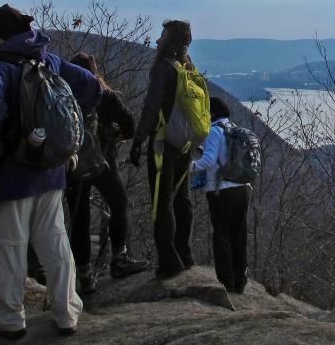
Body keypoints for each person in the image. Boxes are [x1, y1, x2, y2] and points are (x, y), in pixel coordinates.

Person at [0, 4, 100, 339]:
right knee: (55, 240)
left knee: (9, 244)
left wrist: (3, 133)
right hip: (51, 168)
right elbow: (91, 86)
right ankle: (66, 312)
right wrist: (65, 137)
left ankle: (9, 319)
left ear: (1, 35)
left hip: (14, 172)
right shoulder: (48, 61)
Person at [66, 52, 147, 294]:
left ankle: (84, 275)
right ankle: (119, 259)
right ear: (93, 71)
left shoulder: (64, 94)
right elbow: (130, 126)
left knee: (79, 218)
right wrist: (114, 137)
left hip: (72, 164)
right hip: (103, 162)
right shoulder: (105, 95)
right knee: (119, 204)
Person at [129, 20, 196, 279]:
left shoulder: (163, 68)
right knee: (182, 199)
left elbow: (151, 106)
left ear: (172, 42)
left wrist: (138, 140)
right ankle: (184, 254)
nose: (158, 41)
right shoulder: (187, 66)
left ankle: (169, 262)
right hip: (185, 143)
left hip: (163, 144)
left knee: (162, 202)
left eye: (162, 36)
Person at [191, 96, 250, 293]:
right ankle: (240, 280)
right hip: (242, 189)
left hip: (221, 191)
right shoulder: (235, 129)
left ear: (213, 113)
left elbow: (208, 161)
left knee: (222, 235)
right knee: (238, 235)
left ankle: (226, 282)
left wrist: (187, 166)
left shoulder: (215, 131)